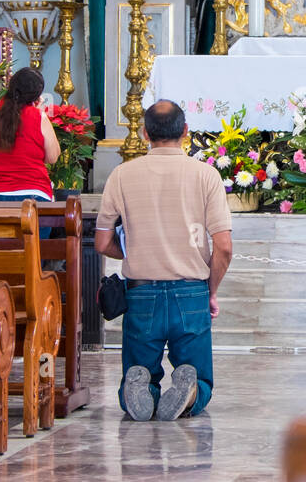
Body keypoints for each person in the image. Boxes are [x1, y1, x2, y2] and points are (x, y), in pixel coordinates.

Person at [94, 101, 233, 422]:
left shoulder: (121, 175)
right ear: (185, 132)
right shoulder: (206, 175)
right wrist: (210, 291)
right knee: (201, 377)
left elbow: (102, 242)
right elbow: (223, 246)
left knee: (139, 366)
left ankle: (141, 384)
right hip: (190, 292)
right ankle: (191, 389)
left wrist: (137, 251)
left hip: (141, 294)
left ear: (145, 133)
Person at [0, 66, 60, 201]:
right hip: (32, 193)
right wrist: (37, 111)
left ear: (10, 85)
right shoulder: (38, 116)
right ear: (37, 96)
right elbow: (52, 157)